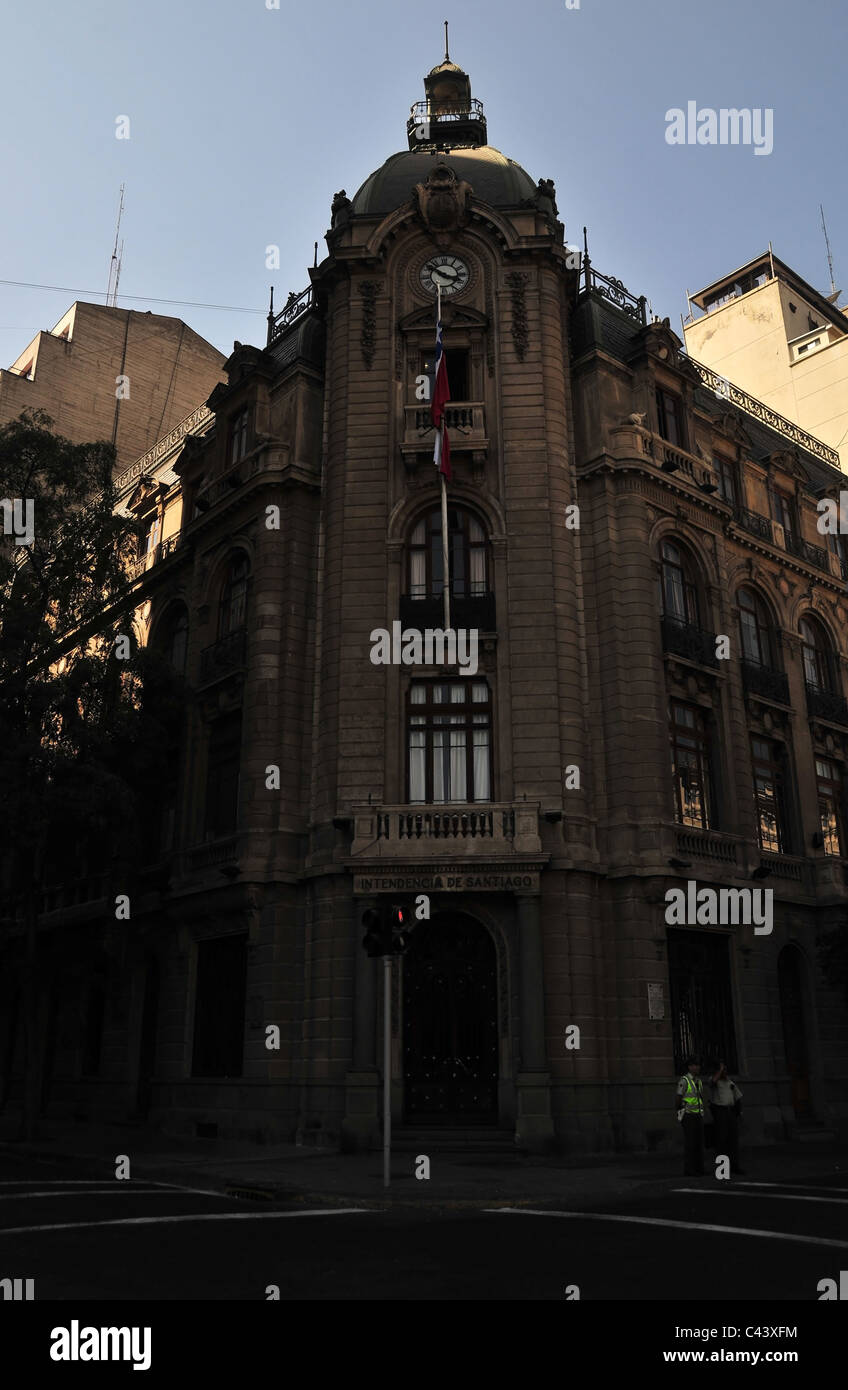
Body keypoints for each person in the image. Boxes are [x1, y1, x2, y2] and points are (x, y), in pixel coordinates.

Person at [709, 1059, 745, 1175]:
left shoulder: (730, 1082)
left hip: (730, 1112)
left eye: (725, 1069)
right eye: (722, 1069)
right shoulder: (714, 1080)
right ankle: (723, 1168)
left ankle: (734, 1166)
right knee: (721, 1140)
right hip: (720, 1112)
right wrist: (719, 1070)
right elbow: (713, 1082)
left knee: (733, 1140)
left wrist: (739, 1112)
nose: (725, 1071)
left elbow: (738, 1097)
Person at [676, 1056, 705, 1175]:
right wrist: (680, 1112)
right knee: (691, 1144)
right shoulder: (684, 1080)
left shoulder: (698, 1081)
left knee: (699, 1143)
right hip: (688, 1116)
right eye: (695, 1065)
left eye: (698, 1065)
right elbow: (678, 1098)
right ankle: (690, 1169)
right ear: (690, 1067)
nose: (698, 1067)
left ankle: (699, 1168)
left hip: (698, 1115)